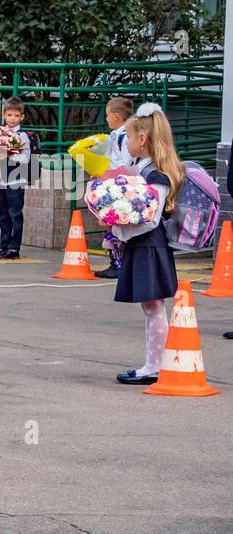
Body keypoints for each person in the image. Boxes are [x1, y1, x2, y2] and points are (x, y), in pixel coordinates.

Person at [113, 104, 181, 386]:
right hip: (144, 245)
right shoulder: (142, 170)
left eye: (128, 137)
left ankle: (154, 367)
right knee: (150, 308)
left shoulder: (156, 176)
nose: (125, 142)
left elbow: (150, 219)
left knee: (154, 308)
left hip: (149, 245)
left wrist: (120, 229)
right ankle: (152, 364)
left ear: (142, 140)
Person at [0, 97, 35, 260]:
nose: (12, 118)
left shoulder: (22, 136)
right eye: (9, 115)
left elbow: (26, 159)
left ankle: (14, 248)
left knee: (15, 213)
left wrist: (9, 154)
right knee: (3, 214)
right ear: (4, 115)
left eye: (15, 115)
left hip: (15, 180)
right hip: (1, 178)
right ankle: (3, 244)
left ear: (22, 117)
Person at [95, 96, 136, 280]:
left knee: (116, 224)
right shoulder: (117, 135)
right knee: (111, 223)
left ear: (117, 117)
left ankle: (119, 264)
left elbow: (125, 163)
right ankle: (116, 262)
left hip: (121, 186)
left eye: (107, 115)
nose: (106, 119)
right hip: (113, 183)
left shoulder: (124, 137)